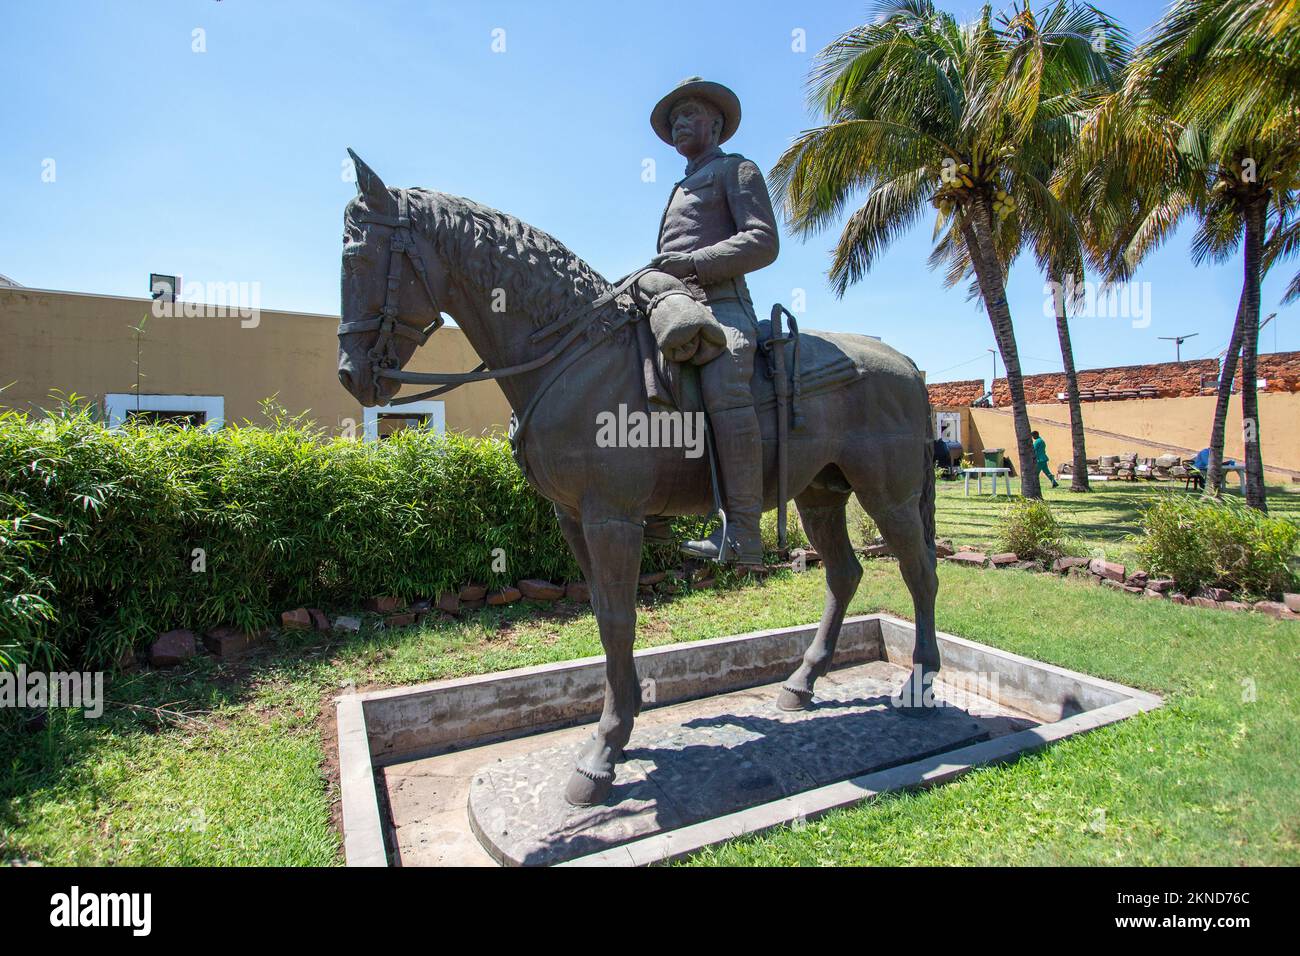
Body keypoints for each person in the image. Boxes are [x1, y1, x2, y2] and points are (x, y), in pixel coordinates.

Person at [648, 77, 779, 566]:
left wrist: (694, 264)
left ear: (717, 123)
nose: (681, 123)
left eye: (691, 114)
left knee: (724, 373)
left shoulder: (736, 170)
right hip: (675, 300)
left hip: (723, 303)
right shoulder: (679, 188)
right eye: (675, 117)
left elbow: (763, 242)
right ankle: (652, 502)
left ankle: (744, 533)